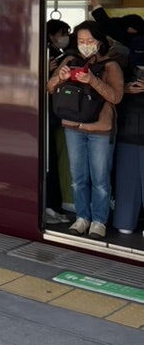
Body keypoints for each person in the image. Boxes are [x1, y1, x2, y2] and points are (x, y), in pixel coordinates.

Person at [47, 20, 124, 239]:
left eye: (89, 41)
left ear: (100, 42)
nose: (85, 45)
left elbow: (116, 97)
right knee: (77, 177)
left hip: (100, 130)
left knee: (100, 179)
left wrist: (93, 81)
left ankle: (99, 221)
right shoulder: (70, 61)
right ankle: (82, 218)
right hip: (72, 127)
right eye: (81, 41)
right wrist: (59, 79)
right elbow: (49, 87)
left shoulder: (111, 66)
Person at [44, 18, 72, 225]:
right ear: (52, 35)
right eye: (63, 33)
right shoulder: (49, 57)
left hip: (53, 116)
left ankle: (52, 204)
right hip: (49, 116)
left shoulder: (59, 56)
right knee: (50, 161)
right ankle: (48, 204)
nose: (66, 38)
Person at [111, 67, 144, 236]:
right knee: (127, 183)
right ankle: (125, 221)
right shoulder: (121, 71)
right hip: (126, 135)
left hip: (129, 135)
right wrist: (122, 89)